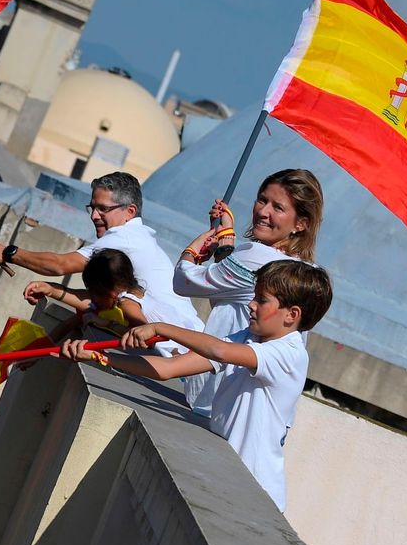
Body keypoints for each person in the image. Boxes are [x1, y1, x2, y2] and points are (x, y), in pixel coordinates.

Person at [60, 259, 333, 510]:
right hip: (225, 475)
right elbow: (169, 369)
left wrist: (160, 328)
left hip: (253, 492)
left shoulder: (289, 353)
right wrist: (99, 356)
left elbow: (220, 351)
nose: (251, 304)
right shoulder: (249, 338)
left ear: (291, 315)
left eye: (261, 300)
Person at [174, 168, 324, 416]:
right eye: (262, 200)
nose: (263, 212)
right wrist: (226, 238)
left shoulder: (254, 256)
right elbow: (231, 292)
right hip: (256, 411)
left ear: (301, 223)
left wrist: (194, 249)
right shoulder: (306, 273)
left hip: (215, 401)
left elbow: (183, 281)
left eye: (278, 207)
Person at [0, 172, 192, 319]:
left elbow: (59, 265)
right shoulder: (137, 236)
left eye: (103, 209)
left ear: (130, 212)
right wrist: (53, 289)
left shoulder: (123, 237)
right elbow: (103, 302)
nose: (94, 216)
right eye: (92, 208)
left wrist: (8, 253)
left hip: (172, 349)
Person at [23, 248, 202, 346]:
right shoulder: (113, 301)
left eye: (93, 293)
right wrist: (41, 349)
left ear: (109, 293)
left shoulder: (128, 304)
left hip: (184, 353)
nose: (91, 299)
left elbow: (145, 337)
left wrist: (107, 325)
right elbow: (72, 322)